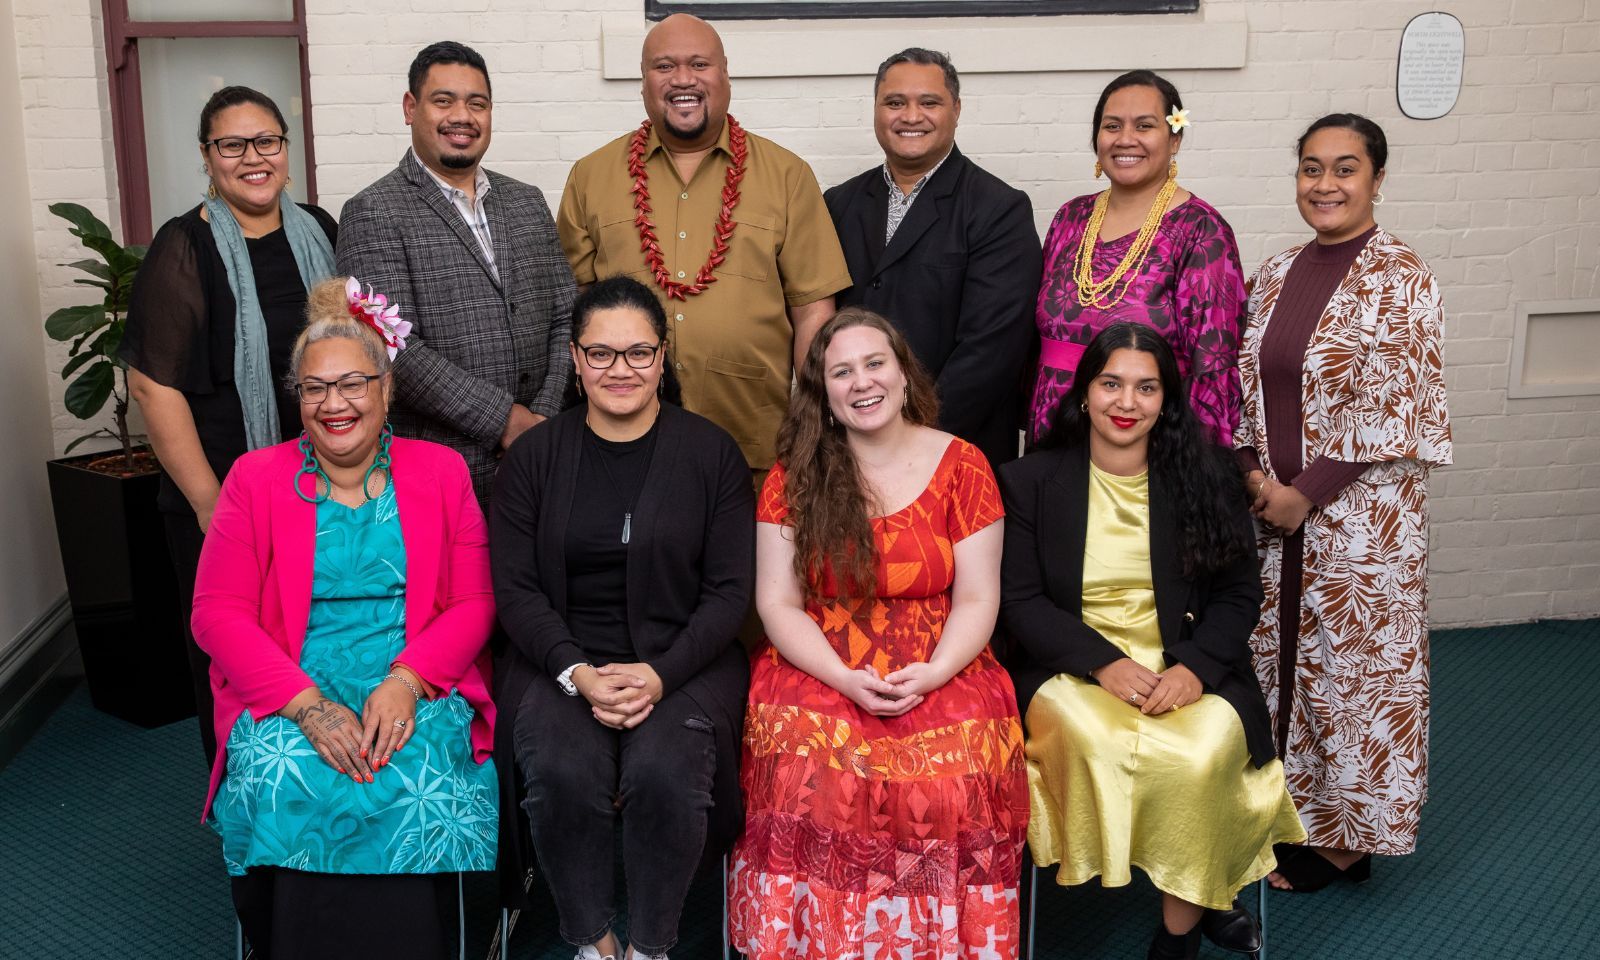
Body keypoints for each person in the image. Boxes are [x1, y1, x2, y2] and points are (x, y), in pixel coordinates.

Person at [191, 277, 498, 960]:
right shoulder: (254, 479)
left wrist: (409, 681)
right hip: (287, 681)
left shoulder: (442, 471)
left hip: (416, 673)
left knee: (410, 765)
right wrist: (306, 707)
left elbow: (476, 602)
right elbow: (216, 613)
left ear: (386, 390)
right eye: (314, 388)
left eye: (353, 384)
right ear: (296, 398)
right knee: (283, 769)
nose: (334, 404)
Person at [728, 308, 1028, 959]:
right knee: (810, 768)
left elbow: (979, 596)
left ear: (903, 373)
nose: (862, 382)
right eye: (841, 372)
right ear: (822, 392)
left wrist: (937, 671)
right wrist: (842, 678)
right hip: (819, 659)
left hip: (944, 656)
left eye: (874, 364)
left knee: (951, 778)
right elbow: (777, 602)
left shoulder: (965, 465)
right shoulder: (793, 475)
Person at [999, 322, 1304, 960]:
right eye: (1110, 383)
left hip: (1185, 666)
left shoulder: (1209, 477)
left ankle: (1178, 935)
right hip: (1073, 671)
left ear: (1167, 400)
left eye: (1146, 387)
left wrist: (1194, 669)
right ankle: (1205, 889)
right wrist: (1102, 663)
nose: (1126, 402)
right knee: (1097, 742)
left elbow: (1238, 595)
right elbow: (1021, 602)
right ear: (1085, 391)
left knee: (1199, 756)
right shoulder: (1029, 481)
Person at [490, 276, 754, 960]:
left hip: (683, 661)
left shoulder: (711, 453)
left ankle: (651, 947)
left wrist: (661, 676)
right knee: (561, 769)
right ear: (576, 361)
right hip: (558, 660)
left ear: (663, 357)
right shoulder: (534, 458)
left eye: (638, 352)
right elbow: (515, 589)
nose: (621, 369)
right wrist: (576, 671)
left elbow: (730, 592)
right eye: (601, 353)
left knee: (666, 771)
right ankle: (592, 940)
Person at [1237, 114, 1451, 891]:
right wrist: (1256, 479)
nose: (1325, 184)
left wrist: (1307, 493)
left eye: (1345, 169)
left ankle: (1348, 843)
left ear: (1377, 179)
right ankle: (1292, 815)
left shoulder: (1403, 275)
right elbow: (1240, 390)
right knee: (1280, 665)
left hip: (1361, 516)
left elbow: (1395, 405)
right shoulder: (1274, 272)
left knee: (1354, 677)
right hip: (1274, 512)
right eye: (1311, 168)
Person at [121, 85, 338, 762]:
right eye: (232, 144)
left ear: (286, 150)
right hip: (224, 492)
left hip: (320, 486)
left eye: (266, 141)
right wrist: (212, 505)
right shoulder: (184, 245)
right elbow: (152, 384)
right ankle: (242, 797)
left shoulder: (320, 230)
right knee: (238, 660)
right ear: (207, 156)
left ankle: (320, 791)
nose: (253, 157)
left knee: (319, 646)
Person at [556, 14, 851, 476]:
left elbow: (813, 310)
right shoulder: (591, 176)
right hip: (620, 445)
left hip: (753, 443)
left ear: (725, 75)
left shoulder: (787, 176)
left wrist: (816, 424)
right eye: (664, 66)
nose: (683, 79)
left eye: (699, 64)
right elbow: (570, 307)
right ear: (643, 82)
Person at [337, 40, 577, 506]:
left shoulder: (527, 201)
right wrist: (505, 420)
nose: (462, 116)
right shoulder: (372, 211)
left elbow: (566, 316)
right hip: (441, 473)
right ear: (410, 108)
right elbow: (391, 348)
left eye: (477, 103)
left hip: (544, 458)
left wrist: (543, 420)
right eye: (443, 101)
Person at [824, 48, 1041, 468]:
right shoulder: (839, 203)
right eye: (894, 102)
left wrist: (906, 439)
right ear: (875, 110)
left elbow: (991, 352)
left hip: (955, 448)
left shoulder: (999, 209)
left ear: (956, 109)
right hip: (850, 446)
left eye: (929, 102)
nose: (911, 116)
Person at [1030, 70, 1245, 448]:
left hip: (1146, 439)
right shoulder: (1071, 217)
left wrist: (1197, 459)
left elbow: (1212, 368)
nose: (1126, 139)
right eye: (1112, 126)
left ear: (1174, 138)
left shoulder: (1201, 230)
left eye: (1144, 125)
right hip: (1055, 429)